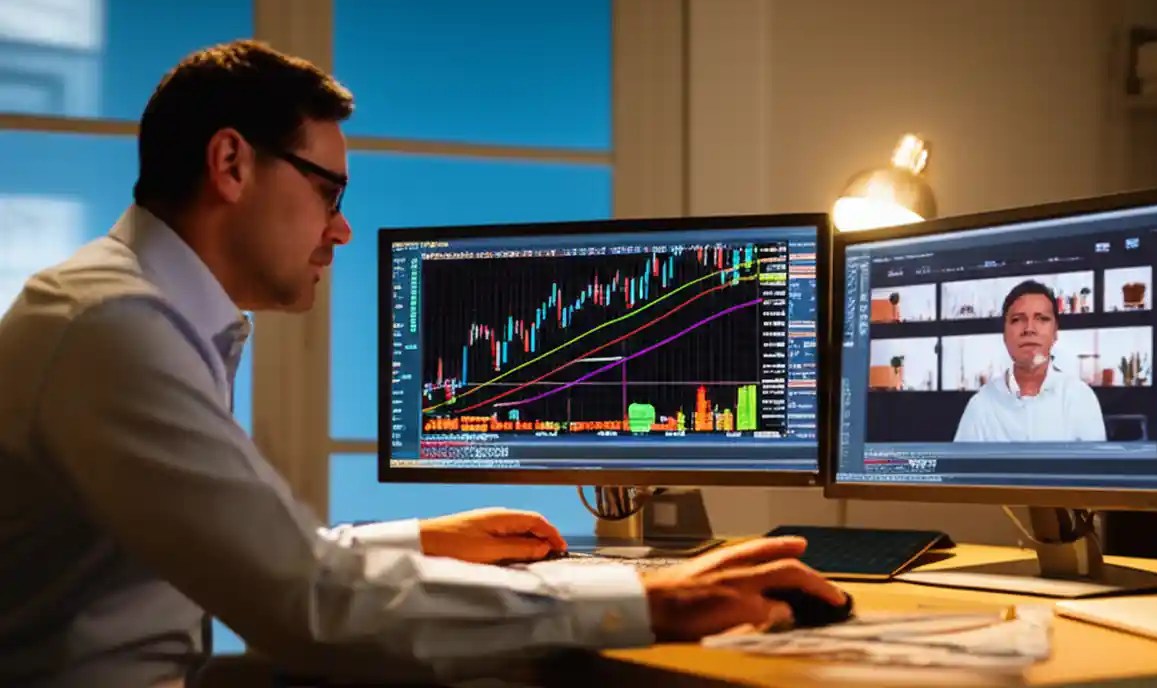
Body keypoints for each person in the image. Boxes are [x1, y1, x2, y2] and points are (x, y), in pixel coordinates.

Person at [0, 40, 843, 688]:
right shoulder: (117, 326)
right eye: (328, 191)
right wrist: (655, 599)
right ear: (230, 164)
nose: (341, 229)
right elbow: (305, 603)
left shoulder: (128, 307)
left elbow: (242, 551)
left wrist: (417, 538)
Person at [954, 280, 1107, 442]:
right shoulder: (981, 405)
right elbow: (960, 466)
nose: (1029, 329)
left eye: (1041, 319)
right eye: (1017, 320)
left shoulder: (1080, 398)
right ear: (1004, 335)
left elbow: (1095, 467)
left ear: (1055, 333)